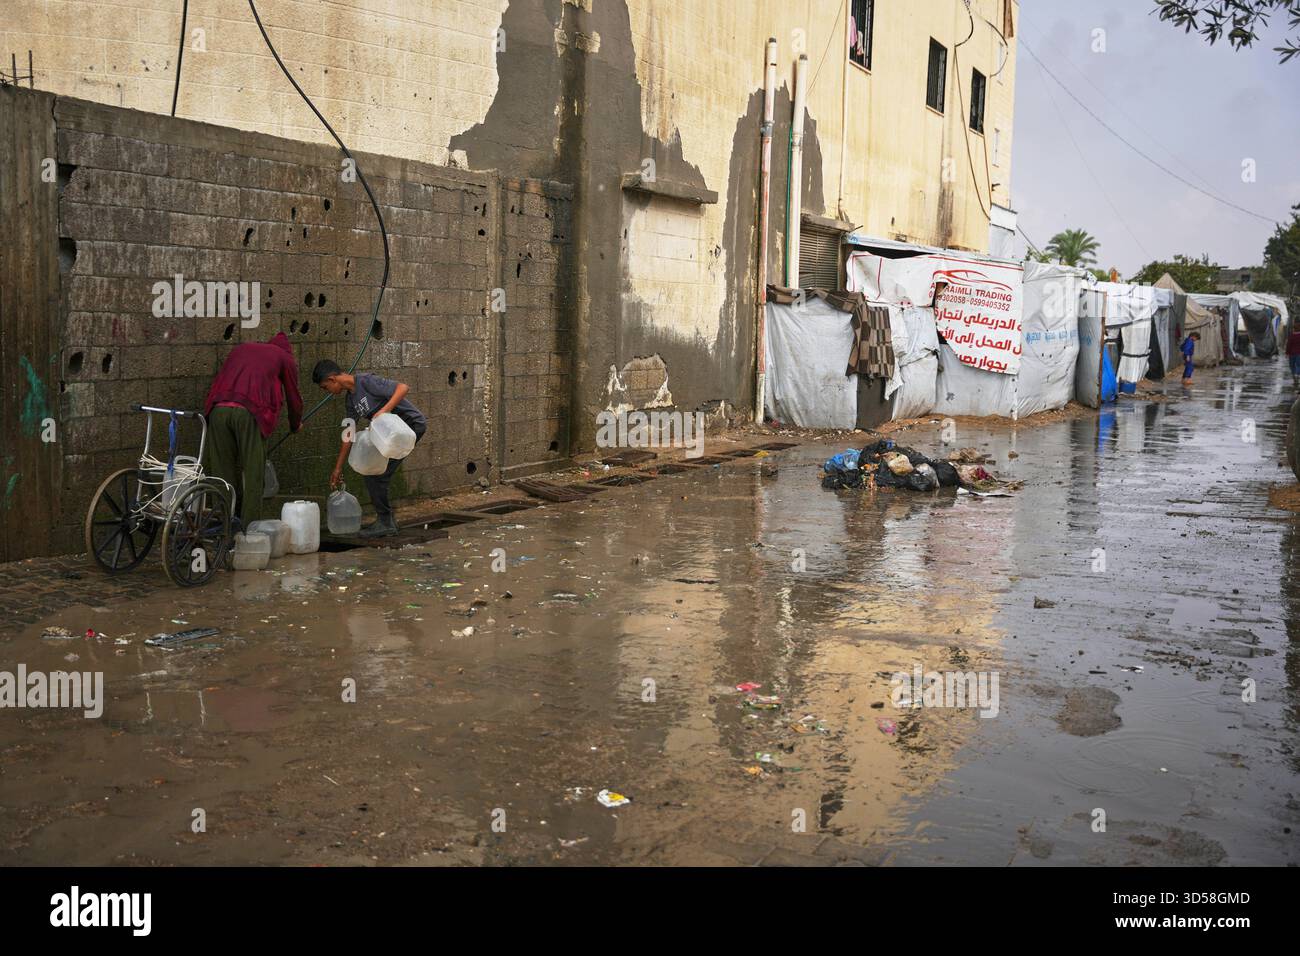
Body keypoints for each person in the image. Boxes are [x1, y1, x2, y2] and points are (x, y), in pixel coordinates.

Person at [312, 360, 427, 537]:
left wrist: (384, 410)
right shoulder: (350, 400)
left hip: (411, 426)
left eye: (325, 387)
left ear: (332, 379)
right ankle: (386, 521)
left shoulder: (366, 381)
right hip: (390, 435)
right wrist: (337, 468)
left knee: (377, 475)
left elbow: (403, 388)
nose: (327, 392)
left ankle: (385, 522)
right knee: (374, 472)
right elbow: (348, 434)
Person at [203, 331, 303, 527]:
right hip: (249, 412)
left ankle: (223, 527)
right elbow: (293, 397)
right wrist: (295, 424)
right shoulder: (284, 357)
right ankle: (249, 532)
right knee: (253, 474)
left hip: (218, 410)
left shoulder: (242, 349)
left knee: (222, 473)